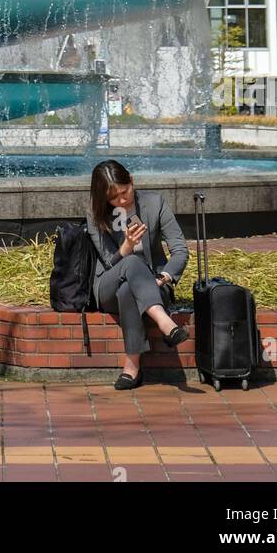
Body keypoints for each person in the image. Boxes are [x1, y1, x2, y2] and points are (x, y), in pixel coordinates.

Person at [86, 159, 190, 390]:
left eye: (125, 191)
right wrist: (127, 247)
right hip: (108, 286)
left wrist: (163, 278)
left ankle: (132, 368)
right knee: (130, 264)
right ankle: (165, 322)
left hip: (153, 283)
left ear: (131, 181)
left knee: (128, 291)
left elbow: (180, 251)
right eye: (114, 198)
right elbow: (108, 262)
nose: (122, 200)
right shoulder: (96, 215)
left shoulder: (154, 203)